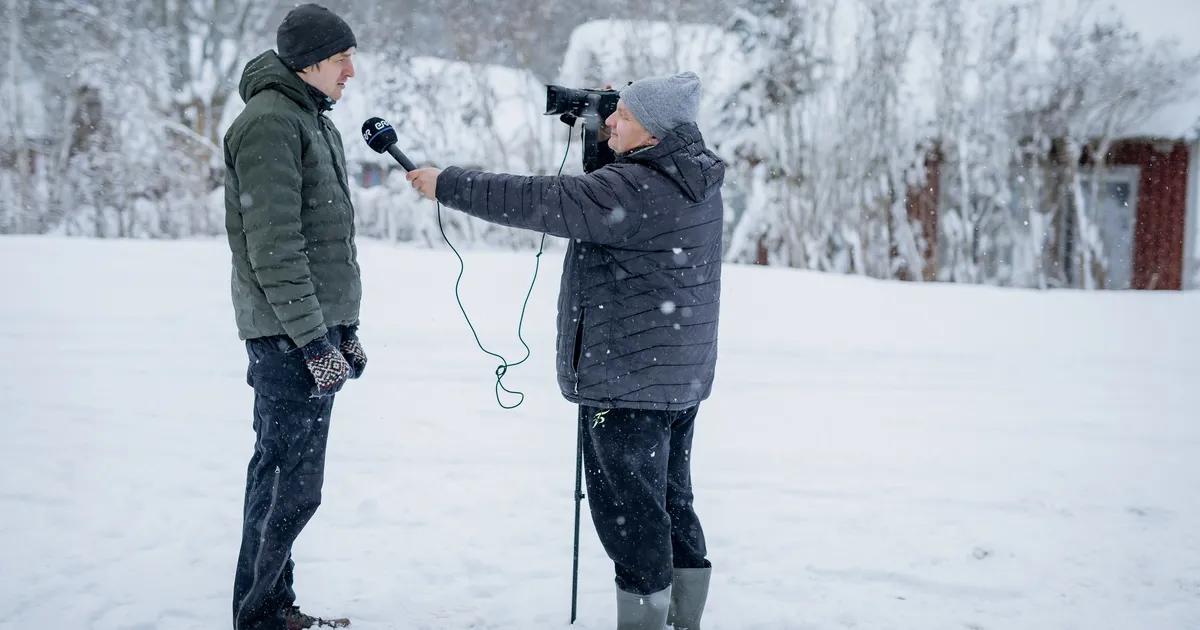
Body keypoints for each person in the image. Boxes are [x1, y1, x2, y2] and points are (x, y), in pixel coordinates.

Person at [407, 71, 723, 630]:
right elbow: (610, 200)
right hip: (673, 378)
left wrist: (447, 184)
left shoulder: (630, 190)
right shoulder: (690, 176)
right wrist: (604, 137)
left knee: (631, 518)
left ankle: (647, 622)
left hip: (625, 387)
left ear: (652, 133)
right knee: (670, 501)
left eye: (622, 116)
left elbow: (542, 199)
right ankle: (683, 619)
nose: (610, 121)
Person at [222, 4, 364, 629]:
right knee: (284, 485)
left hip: (307, 331)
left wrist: (344, 331)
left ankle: (275, 608)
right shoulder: (270, 124)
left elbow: (327, 242)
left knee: (294, 488)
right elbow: (275, 248)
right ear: (308, 63)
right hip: (286, 337)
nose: (350, 72)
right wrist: (312, 341)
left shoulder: (310, 119)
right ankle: (259, 617)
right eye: (341, 59)